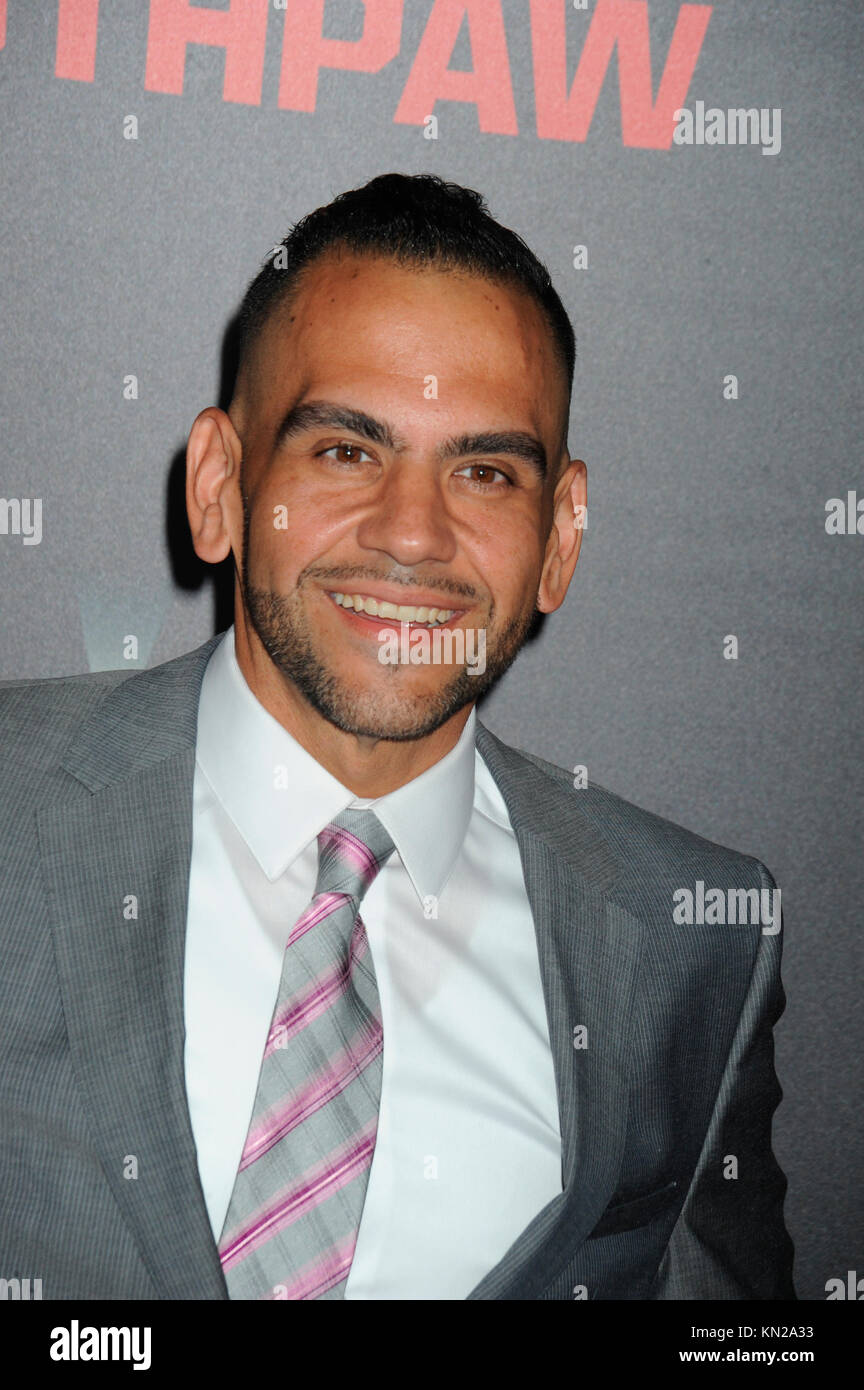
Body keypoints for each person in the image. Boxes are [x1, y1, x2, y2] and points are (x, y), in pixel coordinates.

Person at [0, 173, 794, 1301]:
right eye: (346, 451)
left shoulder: (693, 942)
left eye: (483, 471)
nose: (414, 536)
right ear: (221, 486)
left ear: (562, 536)